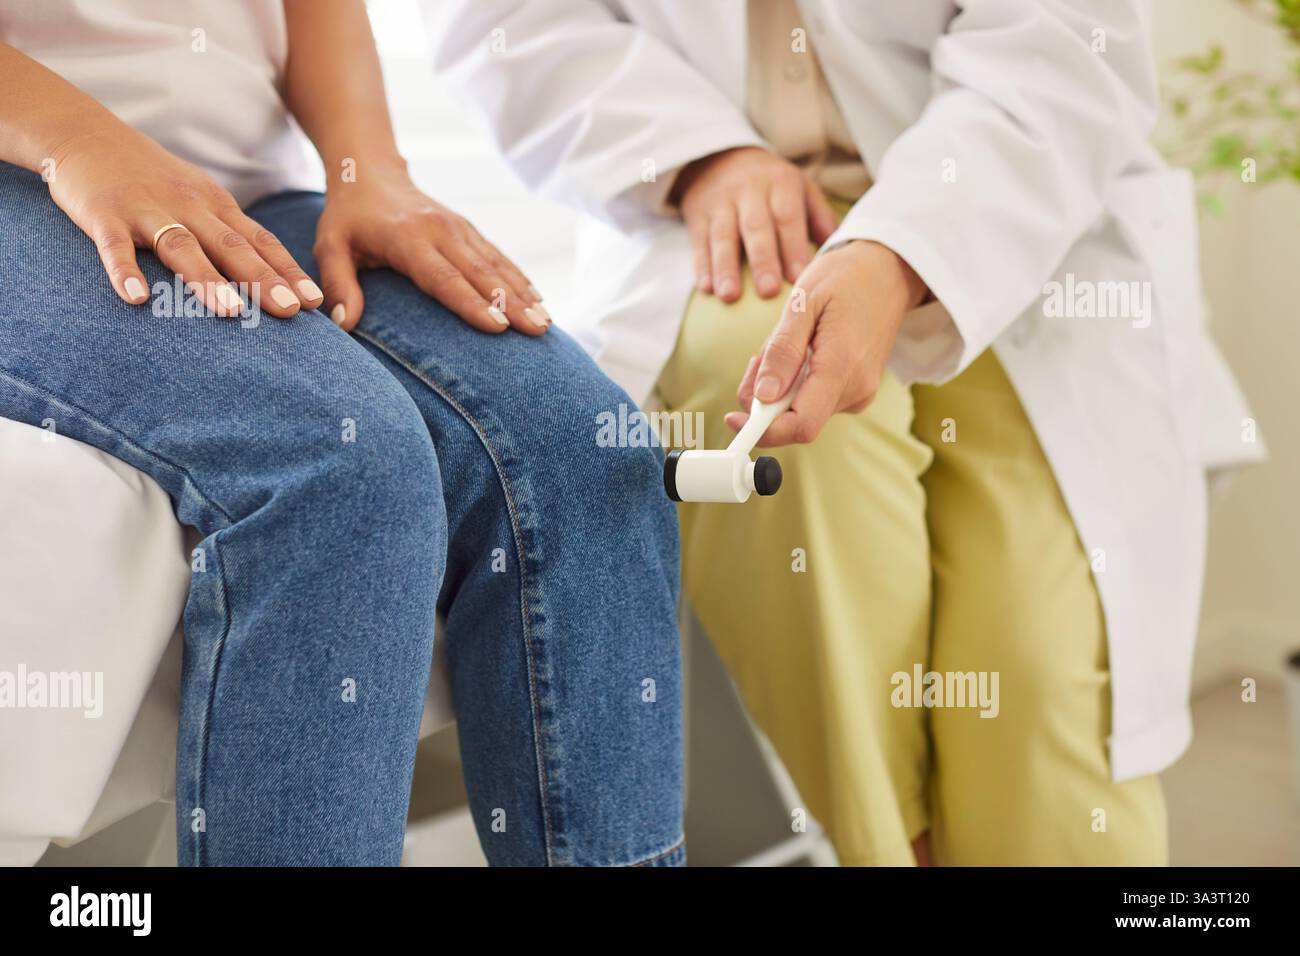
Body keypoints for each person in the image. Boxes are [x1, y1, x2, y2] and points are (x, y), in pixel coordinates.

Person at [426, 0, 1260, 865]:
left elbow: (1065, 40)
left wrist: (897, 249)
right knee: (773, 423)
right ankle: (892, 845)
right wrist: (701, 155)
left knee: (1036, 686)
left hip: (1013, 223)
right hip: (734, 221)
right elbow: (507, 23)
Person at [0, 0, 684, 867]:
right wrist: (79, 143)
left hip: (241, 187)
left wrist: (373, 170)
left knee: (585, 453)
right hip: (22, 181)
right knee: (342, 464)